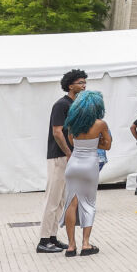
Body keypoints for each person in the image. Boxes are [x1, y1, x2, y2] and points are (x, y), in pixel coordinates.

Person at [37, 69, 87, 254]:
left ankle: (52, 237)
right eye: (80, 82)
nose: (84, 85)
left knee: (61, 200)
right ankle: (43, 240)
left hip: (70, 156)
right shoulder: (61, 105)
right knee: (52, 197)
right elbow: (57, 131)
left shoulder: (75, 105)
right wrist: (68, 152)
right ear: (70, 85)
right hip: (59, 156)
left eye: (85, 82)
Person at [62, 90, 112, 256]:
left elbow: (72, 143)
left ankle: (70, 246)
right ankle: (85, 244)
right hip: (90, 164)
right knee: (88, 204)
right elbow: (107, 145)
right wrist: (94, 143)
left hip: (73, 164)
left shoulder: (72, 123)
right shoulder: (100, 124)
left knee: (71, 203)